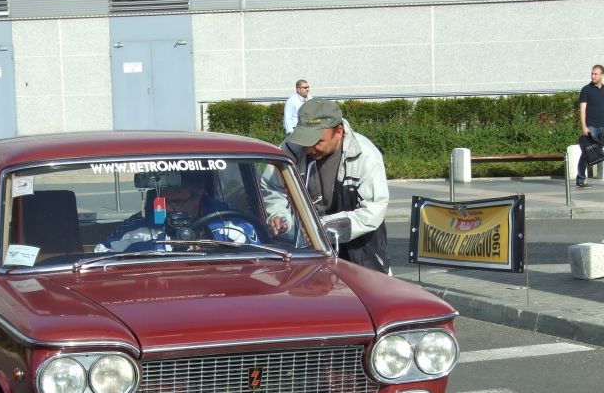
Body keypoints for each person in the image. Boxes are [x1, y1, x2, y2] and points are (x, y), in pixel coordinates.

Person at [281, 98, 391, 273]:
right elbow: (272, 189)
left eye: (317, 142)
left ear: (339, 131)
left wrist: (319, 228)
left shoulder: (366, 155)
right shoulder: (291, 149)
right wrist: (280, 216)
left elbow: (374, 208)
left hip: (361, 252)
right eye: (304, 140)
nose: (309, 149)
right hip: (305, 253)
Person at [97, 171, 260, 252]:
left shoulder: (230, 224)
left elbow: (260, 260)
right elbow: (100, 257)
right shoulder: (136, 231)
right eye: (161, 200)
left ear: (198, 196)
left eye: (176, 201)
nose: (166, 208)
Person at [577, 64, 604, 188]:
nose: (593, 76)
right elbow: (582, 110)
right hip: (591, 126)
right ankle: (581, 179)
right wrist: (584, 126)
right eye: (592, 73)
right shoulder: (586, 90)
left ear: (602, 75)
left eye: (596, 74)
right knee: (587, 153)